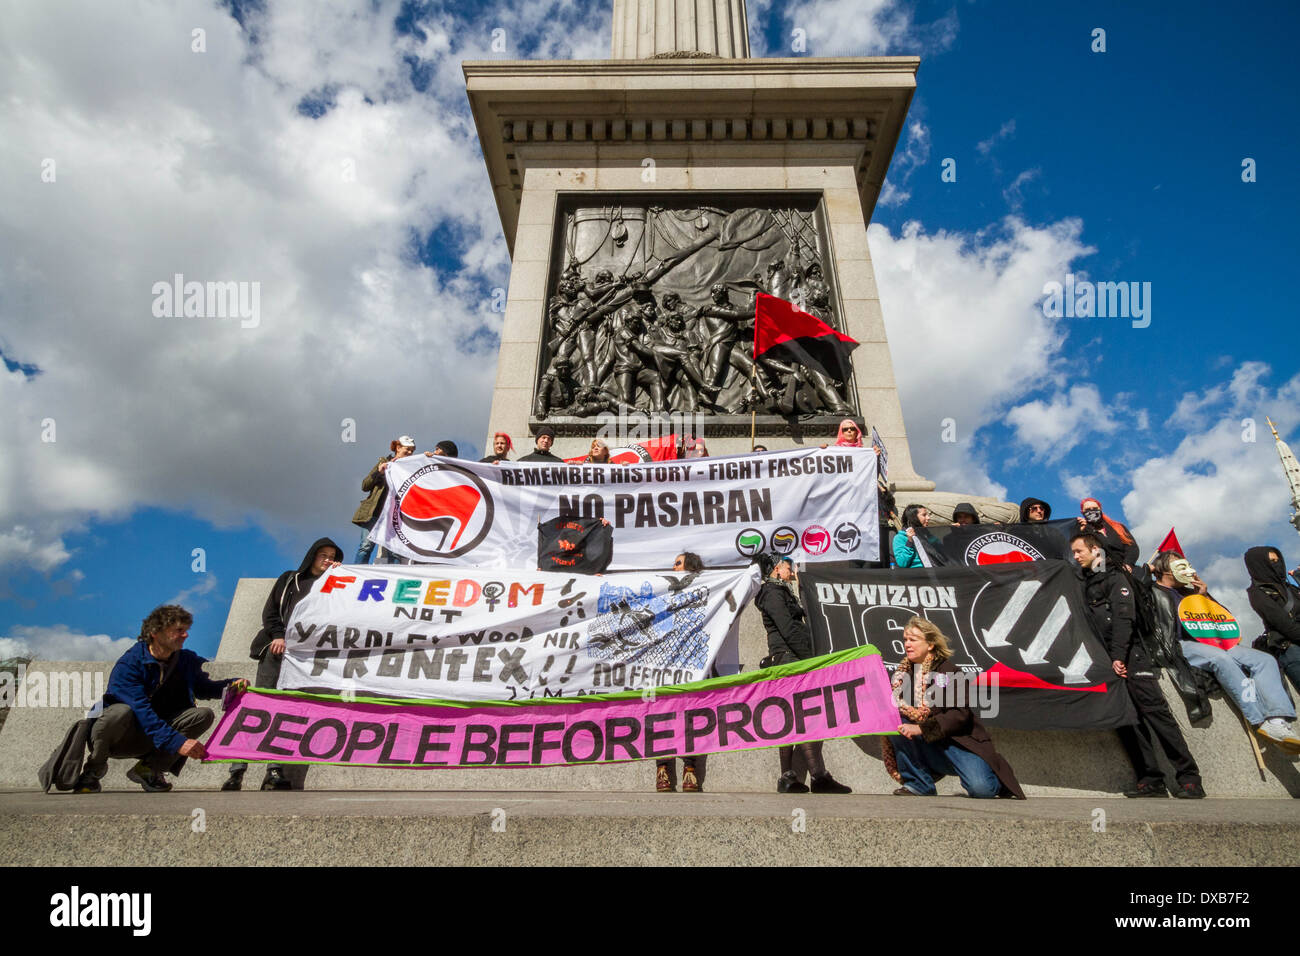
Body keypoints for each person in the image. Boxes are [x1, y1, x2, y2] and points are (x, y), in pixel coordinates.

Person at [1070, 532, 1205, 798]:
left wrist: (1119, 656)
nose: (1076, 557)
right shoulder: (1086, 582)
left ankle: (1189, 777)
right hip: (1106, 660)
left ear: (1096, 550)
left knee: (1157, 715)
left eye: (1079, 551)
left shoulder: (1116, 577)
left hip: (1131, 656)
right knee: (1126, 720)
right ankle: (1150, 779)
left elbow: (1124, 618)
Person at [74, 606, 247, 793]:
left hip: (154, 738)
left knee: (203, 714)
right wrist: (178, 742)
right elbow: (142, 711)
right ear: (155, 632)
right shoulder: (130, 664)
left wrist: (232, 685)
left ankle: (149, 769)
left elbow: (204, 688)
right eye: (179, 630)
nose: (186, 635)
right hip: (120, 736)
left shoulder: (185, 661)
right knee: (119, 712)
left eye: (186, 630)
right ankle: (93, 771)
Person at [221, 538, 343, 791]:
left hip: (305, 658)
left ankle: (274, 770)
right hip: (277, 651)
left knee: (288, 712)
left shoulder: (335, 586)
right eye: (323, 554)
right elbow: (271, 612)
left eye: (332, 556)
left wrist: (344, 578)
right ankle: (236, 769)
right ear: (312, 556)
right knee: (258, 707)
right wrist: (278, 635)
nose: (327, 560)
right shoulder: (290, 579)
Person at [1148, 551, 1300, 752]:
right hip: (1178, 644)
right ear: (1163, 570)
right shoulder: (1150, 591)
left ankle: (1278, 719)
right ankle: (1259, 720)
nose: (1189, 569)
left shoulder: (1190, 592)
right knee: (1221, 659)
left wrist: (1204, 597)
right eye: (1179, 565)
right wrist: (1145, 570)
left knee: (1264, 660)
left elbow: (1222, 620)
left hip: (1212, 642)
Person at [886, 618, 1024, 798]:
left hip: (959, 744)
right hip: (931, 746)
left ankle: (995, 773)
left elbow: (959, 715)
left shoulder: (949, 672)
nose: (907, 644)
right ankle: (919, 783)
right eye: (905, 639)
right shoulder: (901, 675)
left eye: (913, 640)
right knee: (893, 721)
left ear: (930, 644)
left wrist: (921, 728)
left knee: (981, 790)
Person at [754, 553, 852, 794]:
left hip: (794, 659)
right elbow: (788, 628)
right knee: (800, 718)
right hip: (790, 660)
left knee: (801, 717)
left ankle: (808, 776)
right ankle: (810, 776)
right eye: (789, 567)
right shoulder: (772, 593)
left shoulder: (782, 591)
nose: (792, 570)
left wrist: (801, 585)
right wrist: (809, 660)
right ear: (777, 569)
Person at [655, 552, 710, 793]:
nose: (673, 567)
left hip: (691, 665)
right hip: (665, 665)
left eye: (677, 563)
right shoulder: (664, 590)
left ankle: (690, 768)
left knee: (690, 719)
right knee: (662, 717)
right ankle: (663, 768)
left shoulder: (707, 592)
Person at [1245, 545, 1300, 695]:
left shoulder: (1290, 587)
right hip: (1291, 649)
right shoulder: (1257, 593)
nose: (1278, 565)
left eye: (1278, 560)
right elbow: (1284, 624)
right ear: (1260, 565)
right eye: (1272, 561)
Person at [352, 436, 415, 564]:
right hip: (374, 514)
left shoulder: (410, 468)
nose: (410, 453)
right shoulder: (383, 462)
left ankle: (393, 579)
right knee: (365, 547)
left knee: (394, 551)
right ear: (398, 448)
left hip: (394, 517)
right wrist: (379, 473)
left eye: (412, 451)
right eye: (407, 449)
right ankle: (357, 577)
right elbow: (365, 485)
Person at [1075, 497, 1138, 571]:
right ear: (1082, 512)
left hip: (1126, 570)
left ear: (1100, 509)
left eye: (1095, 508)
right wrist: (1086, 529)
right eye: (1087, 510)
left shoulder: (1118, 527)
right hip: (1103, 572)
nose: (1092, 511)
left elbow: (1132, 547)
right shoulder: (1084, 531)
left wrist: (1128, 564)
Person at [892, 504, 930, 568]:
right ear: (914, 518)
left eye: (928, 515)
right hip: (915, 574)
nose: (928, 518)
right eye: (924, 515)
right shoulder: (900, 538)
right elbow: (902, 563)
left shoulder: (928, 535)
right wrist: (909, 542)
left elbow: (941, 553)